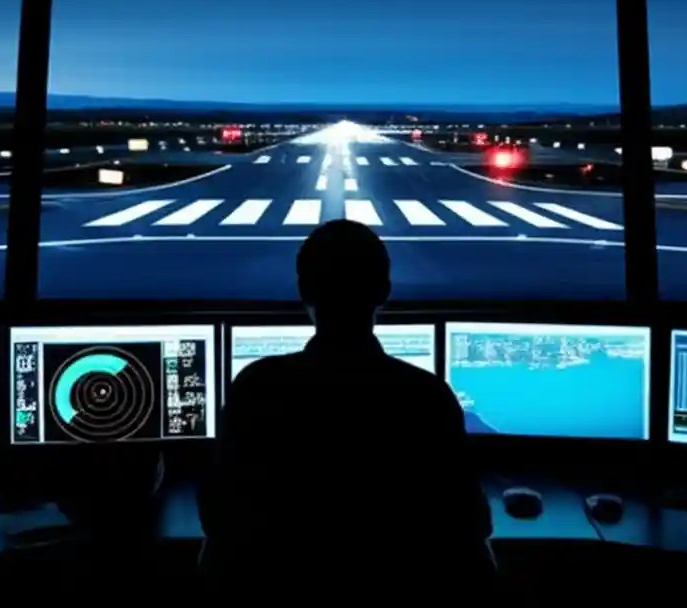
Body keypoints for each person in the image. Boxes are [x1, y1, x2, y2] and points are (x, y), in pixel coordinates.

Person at [198, 219, 493, 595]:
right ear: (384, 292)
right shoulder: (427, 396)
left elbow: (216, 514)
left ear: (304, 289)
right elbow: (472, 523)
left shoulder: (256, 386)